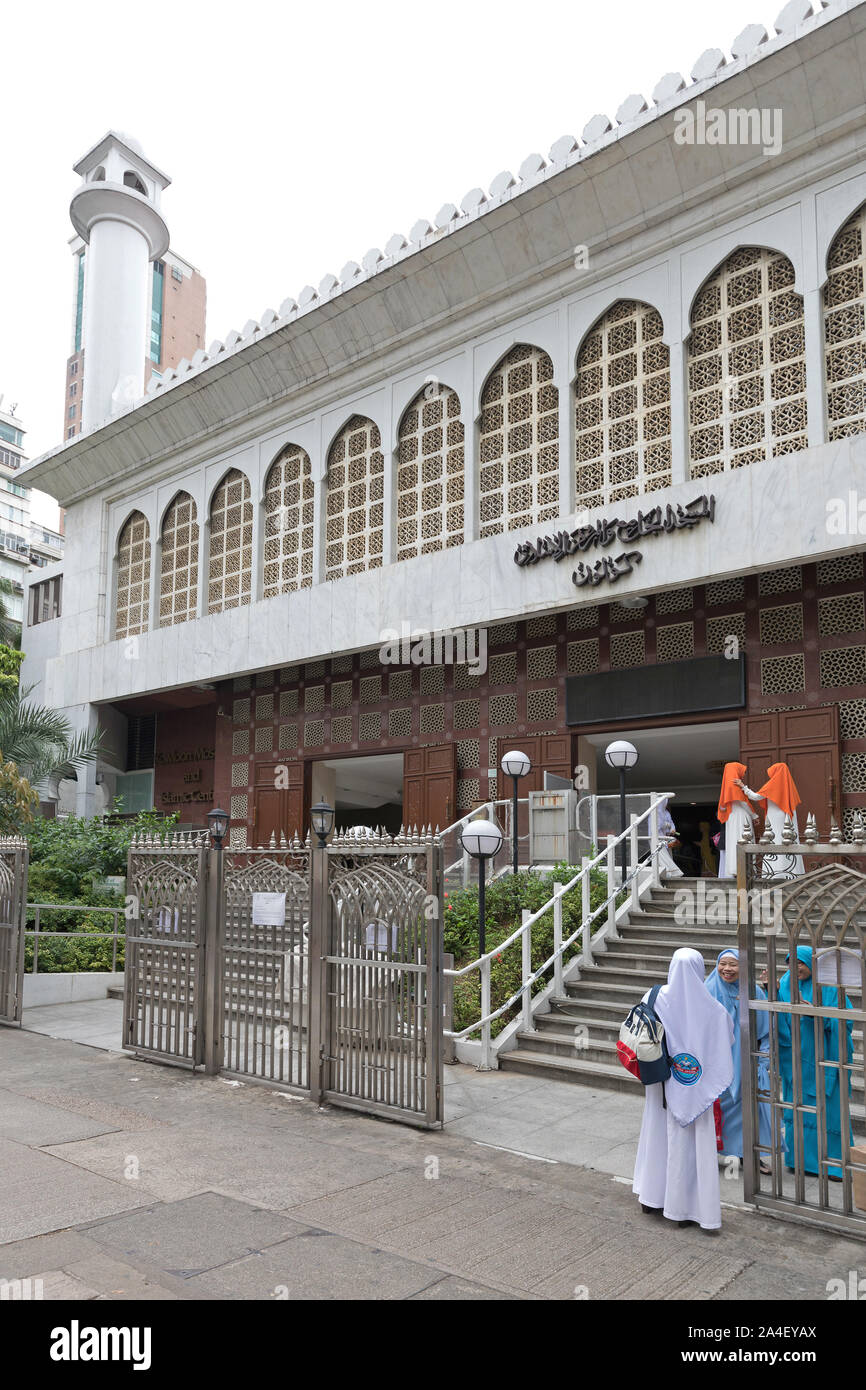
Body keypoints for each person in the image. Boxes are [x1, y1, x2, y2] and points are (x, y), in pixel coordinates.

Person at [632, 948, 734, 1231]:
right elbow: (728, 1040)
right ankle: (688, 1208)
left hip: (660, 1082)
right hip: (695, 1086)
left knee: (657, 1135)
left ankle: (652, 1197)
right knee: (693, 1145)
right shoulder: (714, 1009)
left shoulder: (653, 996)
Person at [777, 946, 854, 1180]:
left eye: (800, 963)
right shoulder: (785, 983)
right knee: (799, 1106)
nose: (795, 968)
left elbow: (846, 1021)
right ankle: (798, 1159)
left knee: (829, 1109)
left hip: (826, 1055)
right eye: (791, 963)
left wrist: (816, 1015)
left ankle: (834, 1164)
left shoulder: (829, 986)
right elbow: (779, 1014)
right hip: (796, 1057)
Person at [705, 949, 772, 1173]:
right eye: (722, 963)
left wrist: (762, 1059)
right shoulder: (707, 990)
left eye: (733, 964)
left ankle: (749, 1155)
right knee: (714, 1108)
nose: (727, 969)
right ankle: (708, 1152)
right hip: (714, 1062)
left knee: (748, 1108)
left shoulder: (753, 992)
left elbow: (765, 1029)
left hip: (744, 1060)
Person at [717, 762, 765, 878]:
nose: (743, 774)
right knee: (744, 839)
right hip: (741, 817)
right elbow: (742, 802)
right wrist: (754, 815)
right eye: (741, 771)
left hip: (731, 817)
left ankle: (734, 869)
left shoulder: (726, 786)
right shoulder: (734, 784)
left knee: (733, 842)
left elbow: (723, 806)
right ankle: (745, 869)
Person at [756, 763, 805, 877]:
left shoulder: (773, 784)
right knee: (787, 840)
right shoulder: (787, 785)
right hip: (785, 818)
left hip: (775, 818)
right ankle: (791, 871)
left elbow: (756, 796)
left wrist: (743, 787)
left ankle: (775, 872)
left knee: (775, 839)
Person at [656, 797, 683, 878]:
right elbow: (657, 826)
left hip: (665, 837)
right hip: (657, 838)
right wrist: (667, 825)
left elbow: (671, 822)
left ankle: (670, 873)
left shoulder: (666, 812)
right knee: (662, 855)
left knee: (668, 854)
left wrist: (672, 829)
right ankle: (671, 872)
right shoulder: (654, 813)